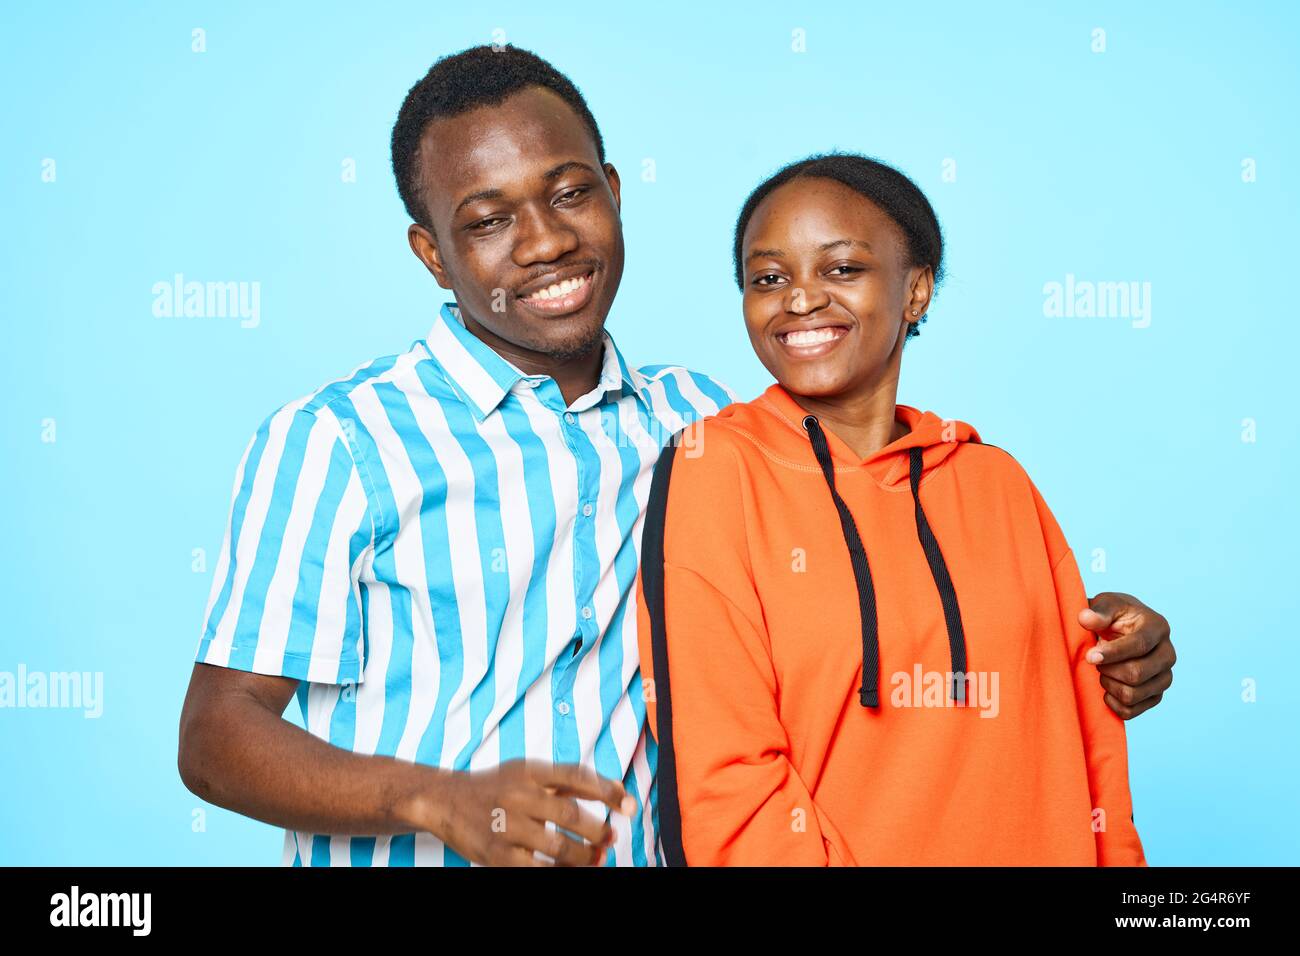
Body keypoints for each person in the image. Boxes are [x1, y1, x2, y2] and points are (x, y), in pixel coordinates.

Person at [178, 45, 1174, 867]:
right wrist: (437, 798)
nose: (541, 241)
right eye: (484, 221)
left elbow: (900, 547)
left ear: (611, 192)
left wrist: (1087, 642)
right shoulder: (338, 440)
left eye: (568, 193)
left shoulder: (699, 422)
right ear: (432, 252)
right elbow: (217, 736)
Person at [638, 153, 1149, 866]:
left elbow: (1089, 740)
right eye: (769, 278)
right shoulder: (715, 470)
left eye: (842, 269)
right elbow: (724, 776)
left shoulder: (997, 481)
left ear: (916, 291)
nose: (801, 299)